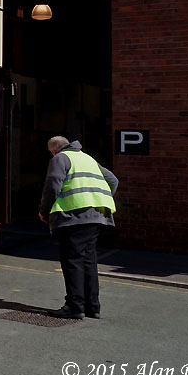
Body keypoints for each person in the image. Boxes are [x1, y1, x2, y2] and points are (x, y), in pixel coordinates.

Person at [39, 136, 119, 320]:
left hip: (75, 216)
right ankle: (93, 307)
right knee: (88, 260)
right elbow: (113, 180)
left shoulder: (60, 158)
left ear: (54, 150)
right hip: (98, 215)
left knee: (72, 260)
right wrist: (97, 198)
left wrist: (45, 211)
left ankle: (75, 306)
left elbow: (52, 186)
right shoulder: (87, 158)